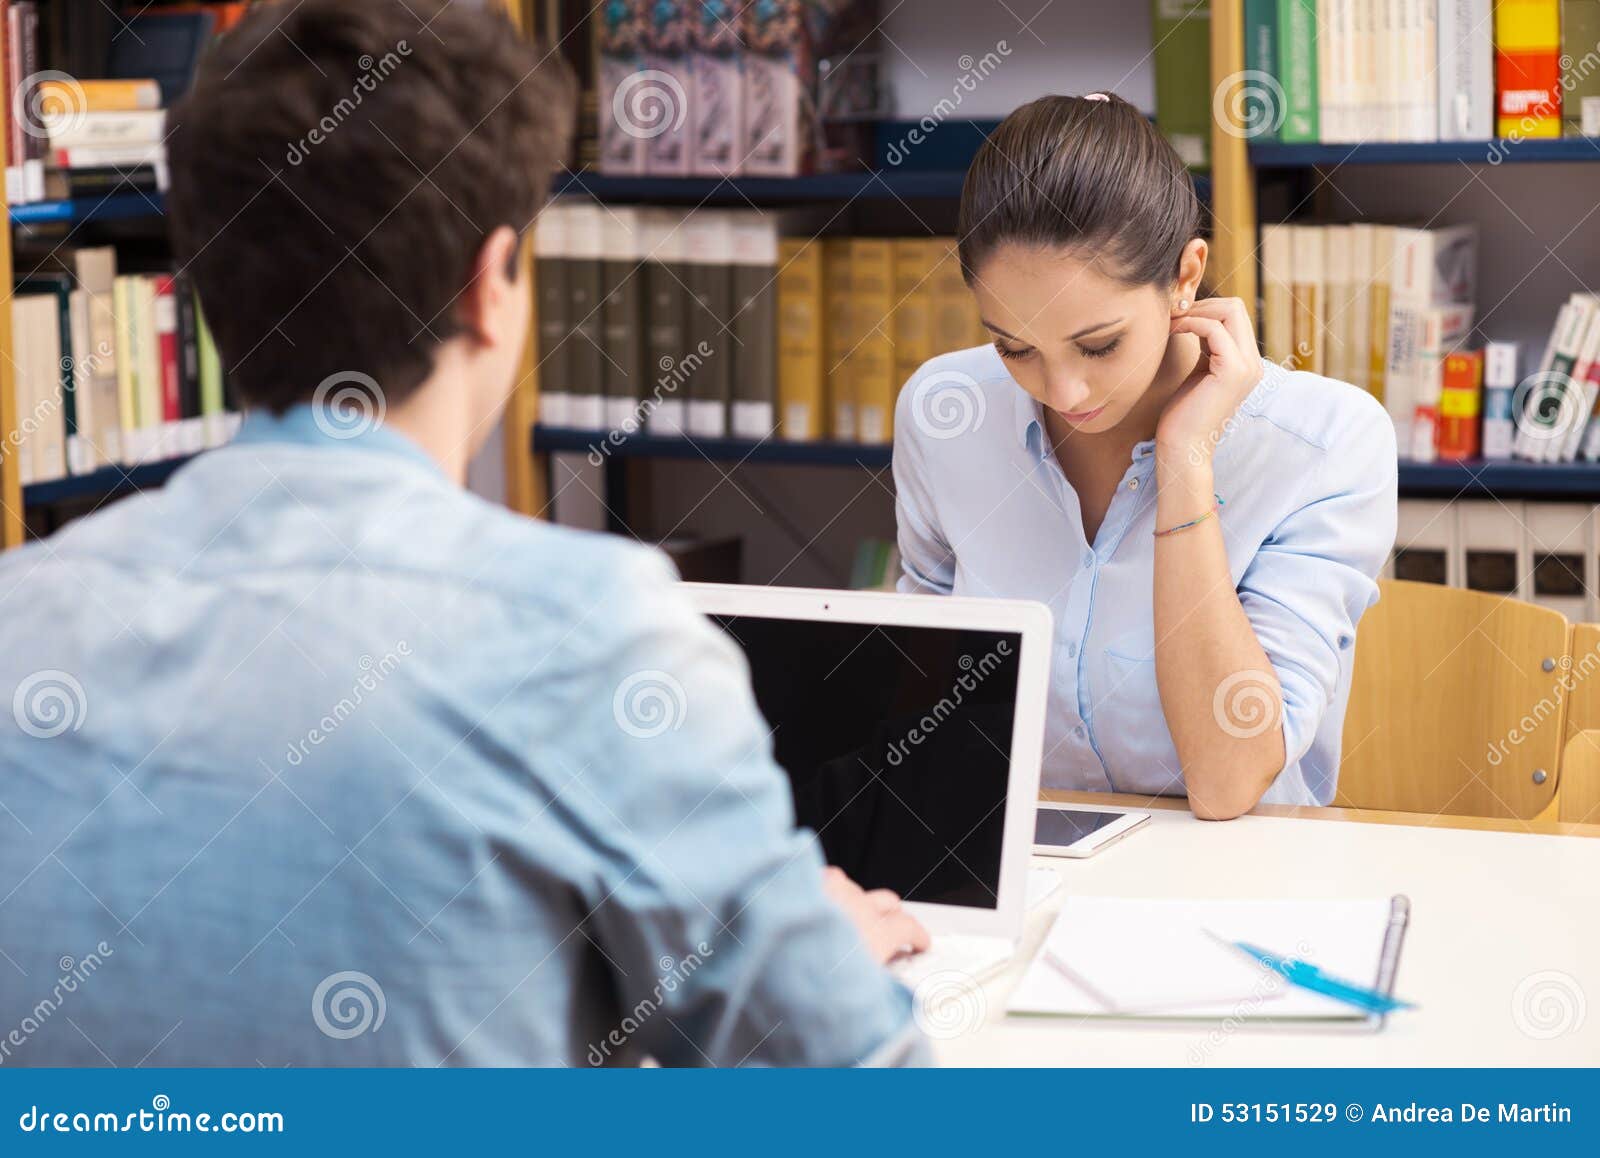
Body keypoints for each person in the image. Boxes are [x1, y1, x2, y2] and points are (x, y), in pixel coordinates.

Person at [0, 0, 928, 1067]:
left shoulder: (21, 614)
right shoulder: (591, 634)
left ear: (203, 295)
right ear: (492, 287)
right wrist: (818, 965)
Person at [893, 92, 1398, 820]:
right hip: (1013, 863)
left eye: (1100, 344)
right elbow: (922, 697)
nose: (1064, 390)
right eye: (1014, 346)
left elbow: (1227, 780)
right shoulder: (946, 412)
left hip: (1229, 882)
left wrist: (1185, 459)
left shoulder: (1326, 444)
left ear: (1186, 275)